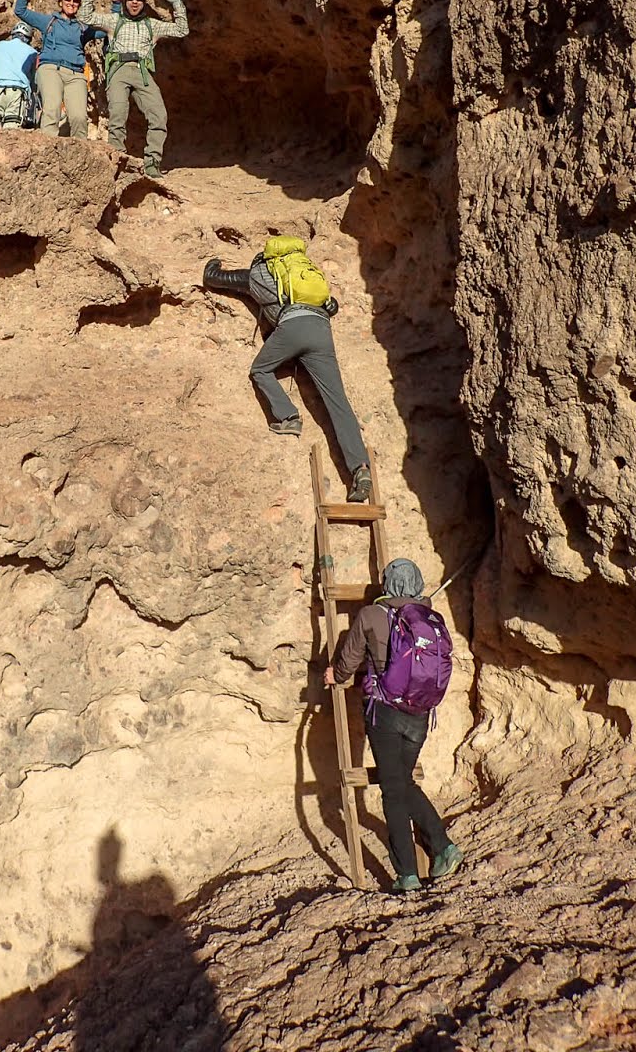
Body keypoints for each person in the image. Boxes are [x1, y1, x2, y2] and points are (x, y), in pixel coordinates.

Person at [325, 558, 463, 893]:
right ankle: (443, 848)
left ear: (388, 583)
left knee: (392, 789)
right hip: (419, 712)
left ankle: (408, 874)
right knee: (402, 782)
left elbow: (350, 658)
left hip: (384, 712)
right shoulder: (433, 618)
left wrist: (336, 675)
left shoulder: (372, 615)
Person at [202, 241, 373, 501]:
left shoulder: (257, 274)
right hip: (322, 332)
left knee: (260, 369)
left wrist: (213, 264)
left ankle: (289, 418)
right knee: (338, 403)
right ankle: (360, 469)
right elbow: (332, 305)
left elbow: (214, 279)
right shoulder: (307, 278)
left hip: (292, 329)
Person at [79, 0, 188, 179]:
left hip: (142, 72)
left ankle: (152, 163)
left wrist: (176, 3)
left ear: (144, 0)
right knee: (118, 115)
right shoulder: (113, 20)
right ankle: (116, 161)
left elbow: (181, 30)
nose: (135, 2)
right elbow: (84, 16)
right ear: (124, 0)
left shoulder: (152, 25)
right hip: (119, 70)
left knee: (159, 116)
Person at [14, 0, 91, 138]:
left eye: (75, 1)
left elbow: (106, 28)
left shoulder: (83, 28)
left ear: (79, 5)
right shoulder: (48, 21)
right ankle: (47, 153)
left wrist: (116, 4)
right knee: (52, 108)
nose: (71, 2)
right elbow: (20, 11)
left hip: (76, 74)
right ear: (60, 2)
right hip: (50, 69)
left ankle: (82, 154)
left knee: (79, 117)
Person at [0, 23, 38, 129]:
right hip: (17, 93)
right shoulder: (32, 52)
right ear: (28, 38)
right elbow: (33, 80)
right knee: (11, 131)